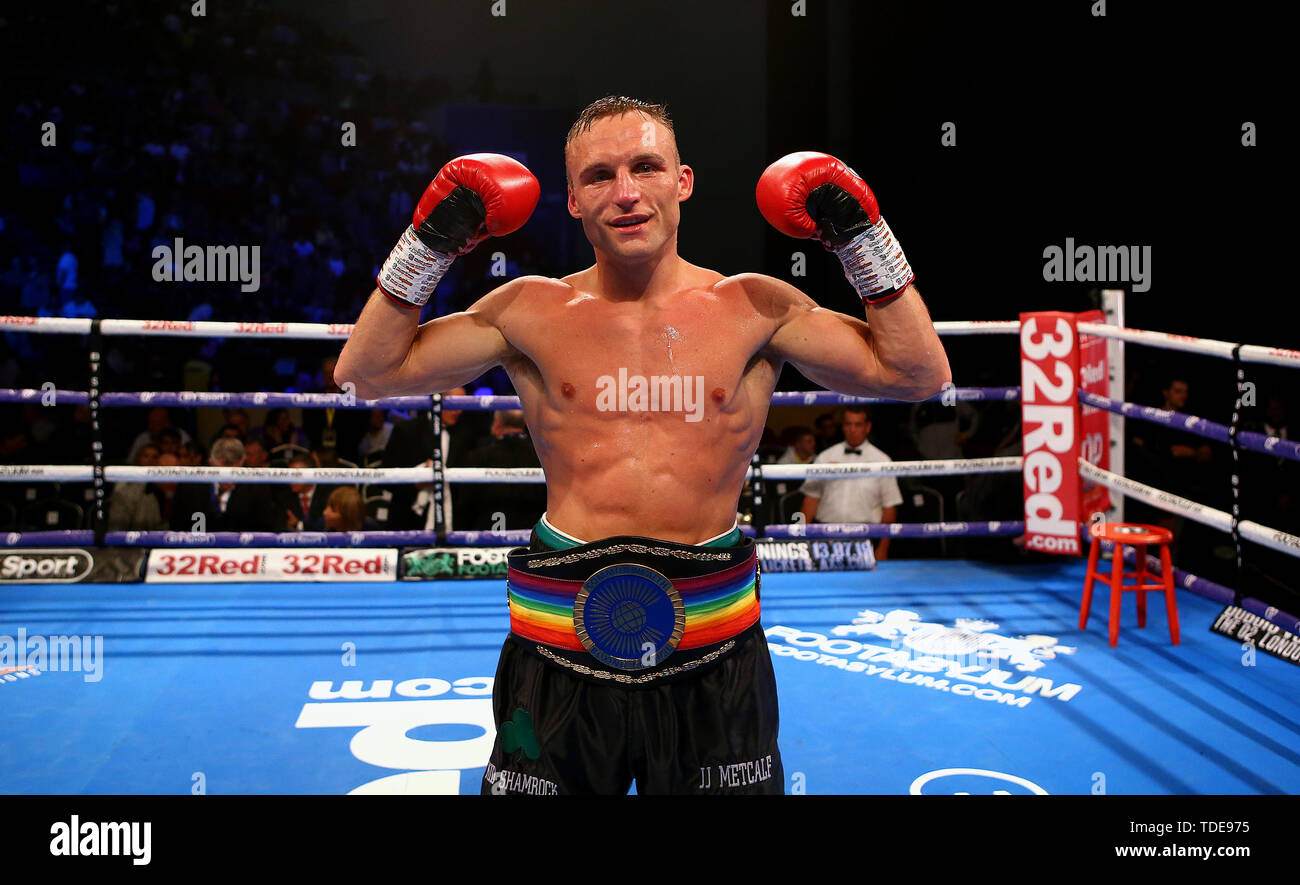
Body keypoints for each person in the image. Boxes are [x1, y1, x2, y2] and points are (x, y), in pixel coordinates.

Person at [335, 96, 950, 795]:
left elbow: (917, 373)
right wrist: (430, 243)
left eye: (645, 167)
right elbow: (366, 374)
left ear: (682, 181)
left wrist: (861, 236)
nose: (626, 193)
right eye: (599, 176)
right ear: (572, 201)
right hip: (557, 653)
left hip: (715, 657)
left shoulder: (754, 305)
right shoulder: (527, 310)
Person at [798, 405, 904, 560]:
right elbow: (810, 500)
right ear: (843, 427)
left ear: (867, 427)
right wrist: (801, 542)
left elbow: (889, 508)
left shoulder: (882, 460)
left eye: (858, 424)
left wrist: (883, 548)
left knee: (865, 584)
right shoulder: (825, 457)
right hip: (826, 535)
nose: (852, 429)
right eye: (848, 424)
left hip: (865, 536)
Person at [170, 437, 286, 533]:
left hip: (242, 554)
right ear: (211, 462)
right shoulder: (190, 485)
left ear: (242, 462)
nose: (228, 472)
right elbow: (176, 526)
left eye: (233, 465)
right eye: (224, 465)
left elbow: (265, 528)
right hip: (195, 553)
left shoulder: (257, 487)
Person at [457, 409, 546, 531]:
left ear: (497, 423)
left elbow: (465, 506)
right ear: (525, 423)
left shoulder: (478, 457)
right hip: (530, 536)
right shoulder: (541, 458)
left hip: (487, 535)